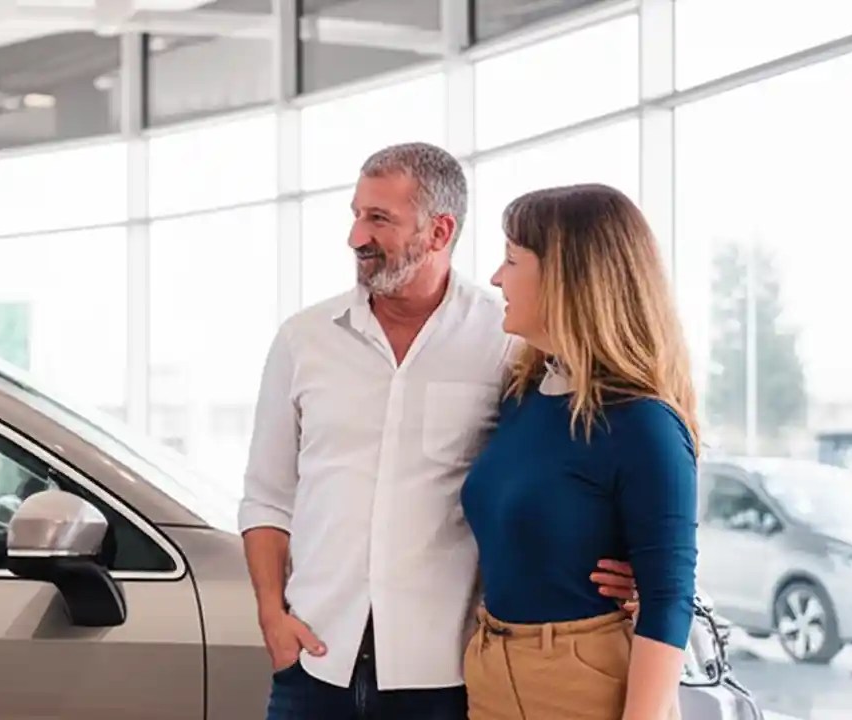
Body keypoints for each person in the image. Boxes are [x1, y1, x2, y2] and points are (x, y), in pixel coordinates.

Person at [237, 143, 637, 720]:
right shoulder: (304, 339)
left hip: (446, 675)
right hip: (313, 664)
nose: (356, 236)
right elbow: (267, 497)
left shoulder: (508, 342)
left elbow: (582, 458)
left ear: (440, 231)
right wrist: (272, 616)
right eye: (356, 214)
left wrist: (632, 561)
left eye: (379, 219)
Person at [461, 184, 700, 719]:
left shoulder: (645, 424)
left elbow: (669, 600)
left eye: (511, 260)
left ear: (565, 279)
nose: (496, 278)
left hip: (581, 684)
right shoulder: (522, 397)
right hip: (491, 672)